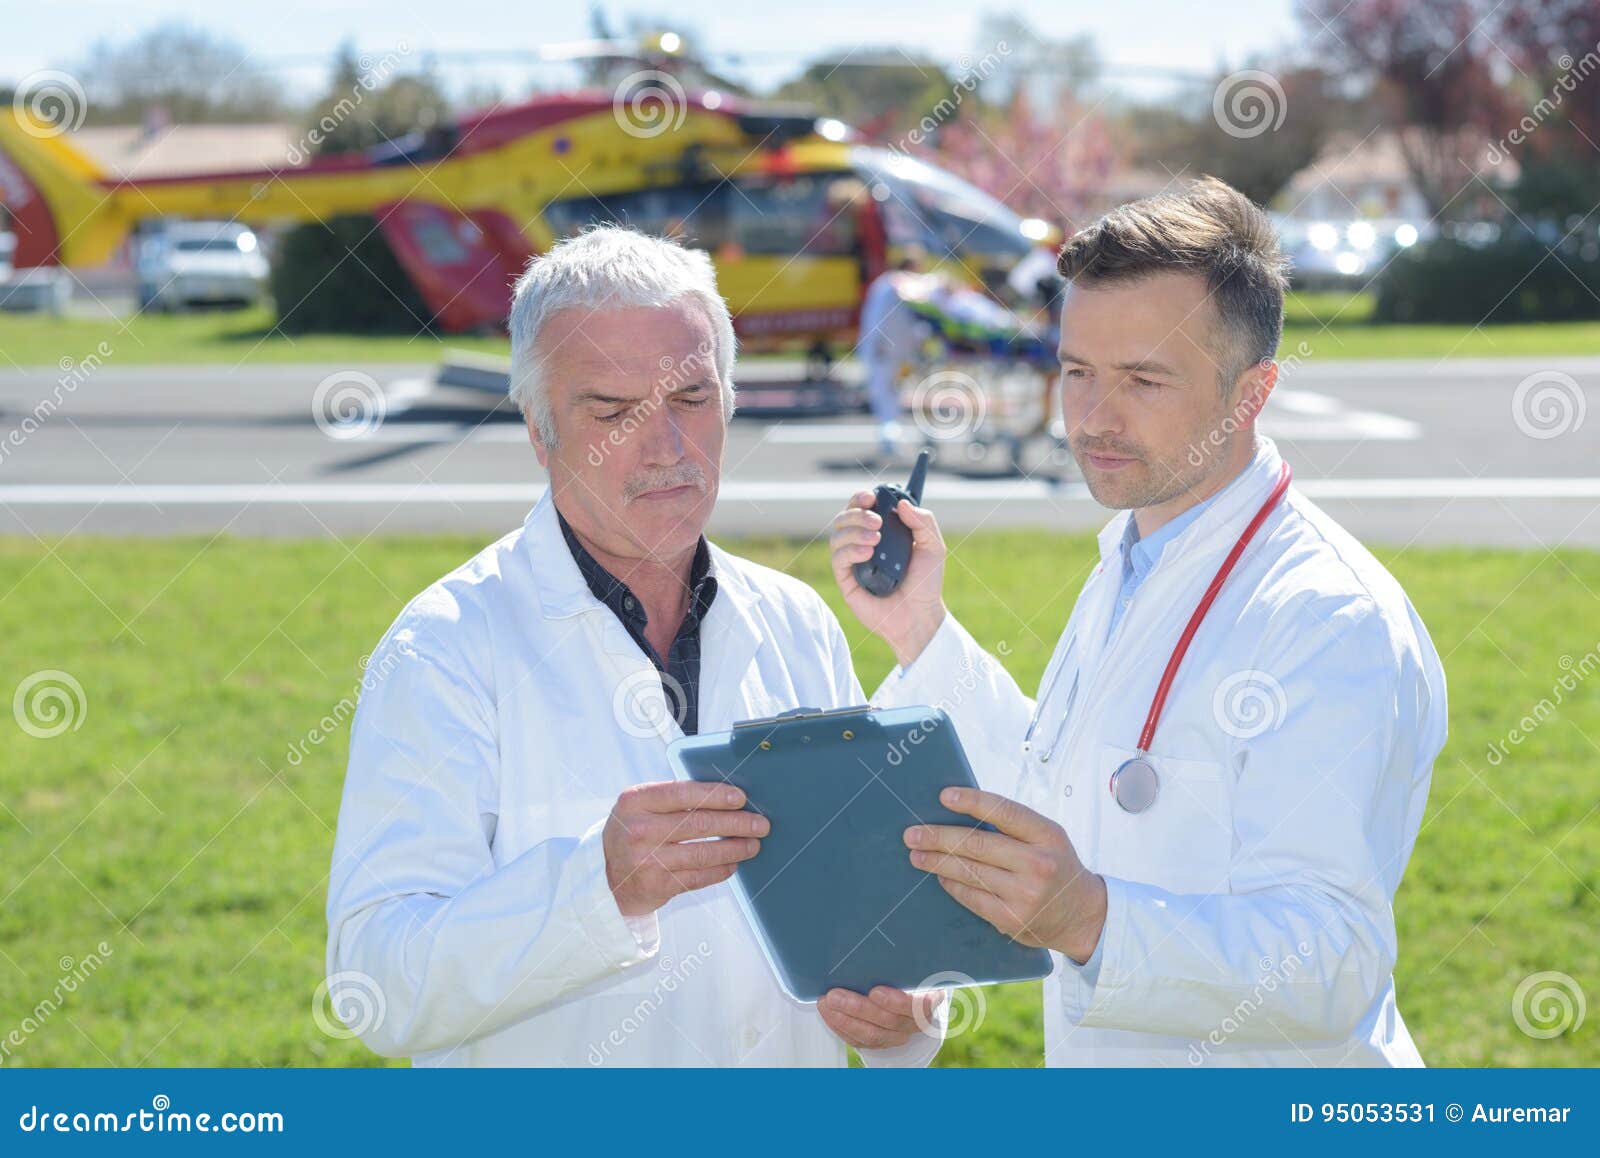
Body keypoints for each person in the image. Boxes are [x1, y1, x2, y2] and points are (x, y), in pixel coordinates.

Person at [829, 177, 1447, 1066]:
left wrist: (1090, 918)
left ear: (1251, 391)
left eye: (1143, 379)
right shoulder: (1135, 552)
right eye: (1076, 370)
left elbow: (1333, 961)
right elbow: (1066, 797)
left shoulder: (1326, 619)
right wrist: (920, 631)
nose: (1093, 417)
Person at [327, 226, 945, 1066]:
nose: (664, 448)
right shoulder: (444, 650)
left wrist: (902, 1008)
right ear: (540, 432)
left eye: (690, 397)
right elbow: (377, 989)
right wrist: (599, 887)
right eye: (613, 412)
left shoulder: (798, 622)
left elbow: (858, 914)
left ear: (729, 400)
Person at [856, 250, 928, 458]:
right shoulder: (894, 287)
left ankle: (890, 433)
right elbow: (880, 319)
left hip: (891, 349)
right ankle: (889, 435)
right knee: (884, 391)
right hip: (884, 349)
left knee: (888, 391)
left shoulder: (888, 285)